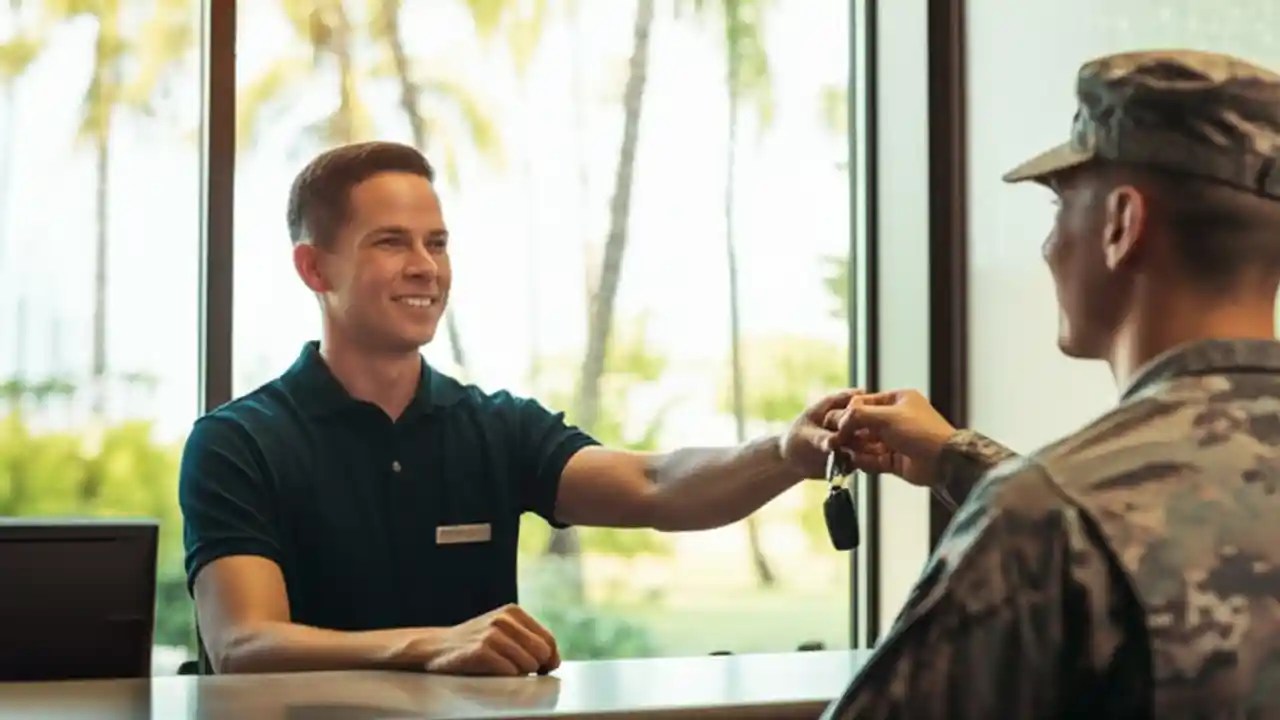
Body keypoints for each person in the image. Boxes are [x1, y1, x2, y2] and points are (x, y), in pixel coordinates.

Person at [179, 140, 855, 677]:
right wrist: (435, 646)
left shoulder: (495, 427)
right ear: (314, 270)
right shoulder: (237, 442)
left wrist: (786, 453)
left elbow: (657, 487)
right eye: (391, 242)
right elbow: (244, 642)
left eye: (436, 243)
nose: (426, 267)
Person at [821, 49, 1280, 719]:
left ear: (1122, 225)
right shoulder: (1059, 515)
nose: (1047, 247)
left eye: (1060, 206)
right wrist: (958, 456)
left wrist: (1016, 498)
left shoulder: (1046, 518)